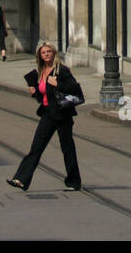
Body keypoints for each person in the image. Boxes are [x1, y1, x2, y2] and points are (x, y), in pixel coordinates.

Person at [7, 42, 84, 192]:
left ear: (54, 53)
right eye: (44, 52)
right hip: (48, 114)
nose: (47, 54)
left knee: (67, 148)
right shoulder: (41, 71)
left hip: (63, 115)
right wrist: (34, 92)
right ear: (40, 56)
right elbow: (44, 96)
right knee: (36, 147)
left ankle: (74, 181)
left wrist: (58, 84)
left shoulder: (62, 71)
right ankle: (21, 179)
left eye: (49, 51)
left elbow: (75, 88)